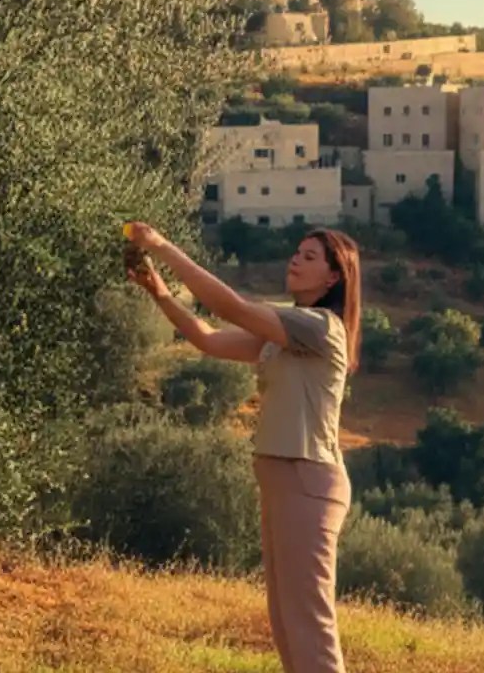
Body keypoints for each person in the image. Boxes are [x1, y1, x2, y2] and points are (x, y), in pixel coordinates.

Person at [124, 222, 360, 673]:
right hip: (285, 482)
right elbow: (208, 339)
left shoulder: (321, 327)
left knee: (310, 625)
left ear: (333, 278)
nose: (296, 260)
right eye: (297, 251)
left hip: (307, 481)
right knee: (287, 622)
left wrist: (161, 246)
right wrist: (160, 292)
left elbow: (228, 306)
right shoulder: (287, 335)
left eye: (310, 257)